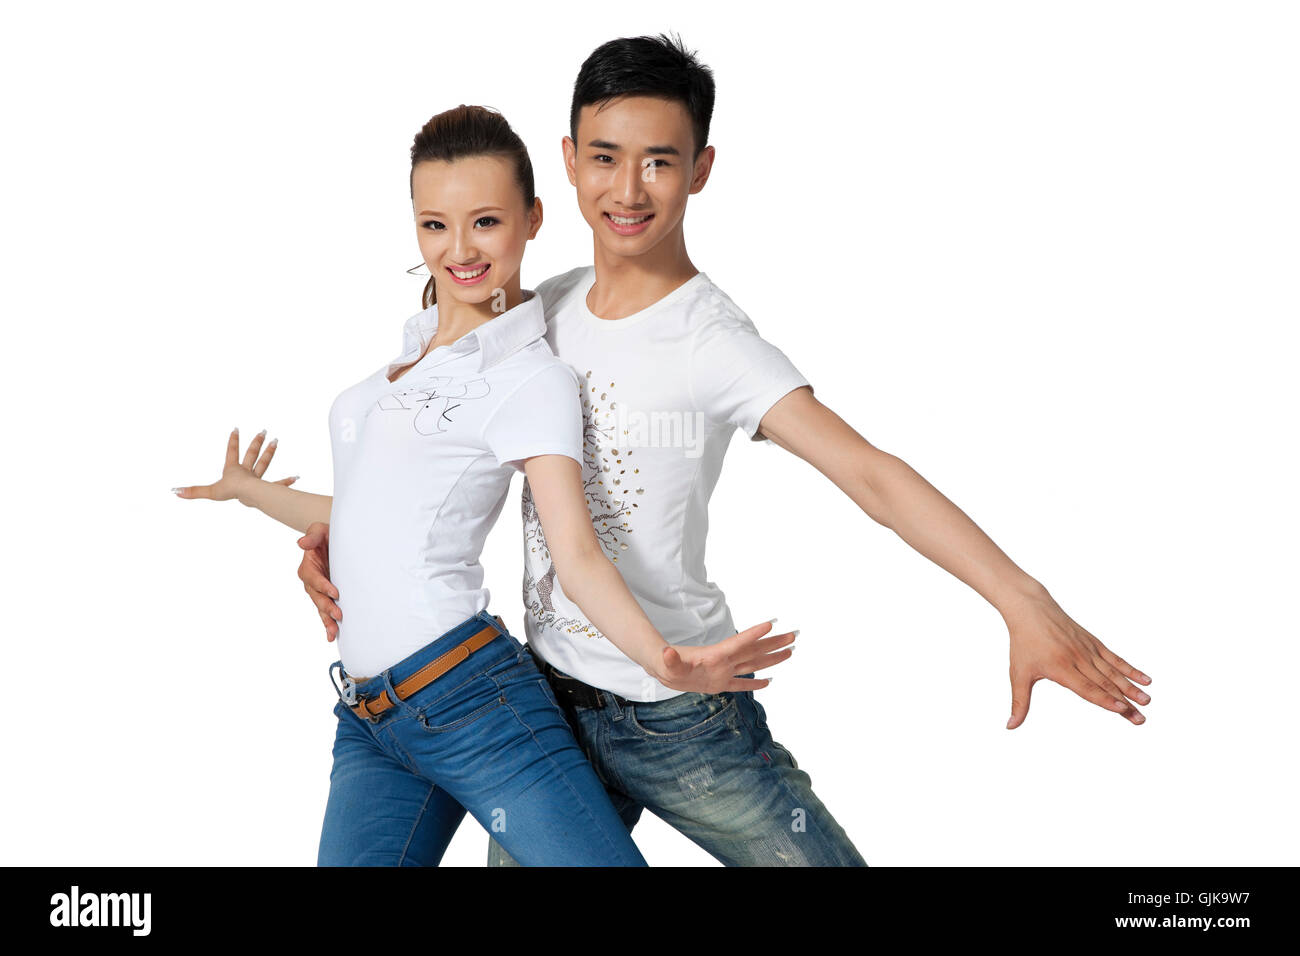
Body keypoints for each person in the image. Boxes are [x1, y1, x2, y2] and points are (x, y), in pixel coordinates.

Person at [296, 34, 1154, 868]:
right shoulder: (536, 312)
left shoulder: (713, 341)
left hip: (681, 715)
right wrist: (345, 551)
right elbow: (428, 452)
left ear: (701, 169)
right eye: (604, 158)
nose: (628, 189)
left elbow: (867, 471)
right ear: (567, 160)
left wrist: (1018, 597)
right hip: (543, 705)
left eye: (659, 162)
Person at [173, 103, 794, 866]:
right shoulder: (405, 363)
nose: (460, 250)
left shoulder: (528, 377)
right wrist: (250, 494)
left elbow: (578, 553)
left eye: (486, 223)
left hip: (474, 705)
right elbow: (375, 520)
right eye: (435, 225)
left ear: (533, 219)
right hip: (369, 719)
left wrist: (665, 659)